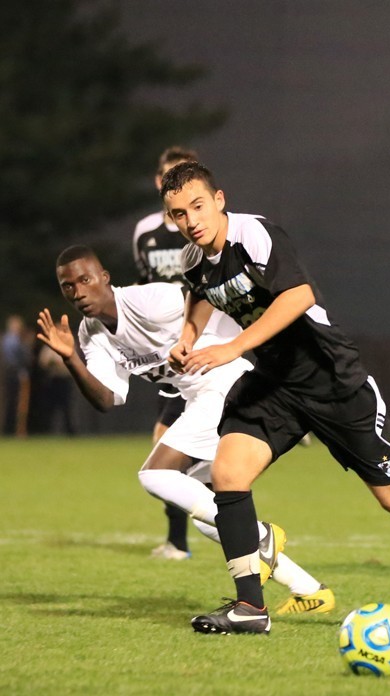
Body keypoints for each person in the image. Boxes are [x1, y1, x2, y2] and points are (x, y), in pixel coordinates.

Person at [160, 161, 390, 635]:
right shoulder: (194, 259)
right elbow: (200, 292)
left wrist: (232, 346)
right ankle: (250, 608)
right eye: (178, 214)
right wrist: (187, 337)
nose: (191, 220)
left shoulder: (253, 236)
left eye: (197, 206)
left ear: (219, 199)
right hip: (275, 383)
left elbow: (297, 296)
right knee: (228, 472)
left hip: (330, 378)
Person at [37, 245, 335, 619]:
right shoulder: (91, 333)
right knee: (209, 516)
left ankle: (260, 536)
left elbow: (206, 300)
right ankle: (308, 588)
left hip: (225, 381)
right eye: (68, 286)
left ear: (104, 279)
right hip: (201, 398)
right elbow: (107, 399)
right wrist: (70, 359)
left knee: (155, 473)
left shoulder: (151, 299)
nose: (78, 291)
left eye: (85, 280)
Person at [134, 146, 200, 560]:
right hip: (167, 349)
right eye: (168, 175)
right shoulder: (145, 232)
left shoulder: (203, 229)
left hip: (199, 344)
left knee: (165, 447)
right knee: (173, 447)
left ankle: (179, 542)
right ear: (159, 182)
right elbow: (144, 286)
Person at [2, 314, 32, 437]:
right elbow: (26, 359)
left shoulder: (7, 340)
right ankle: (18, 431)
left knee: (18, 405)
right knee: (18, 405)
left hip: (11, 375)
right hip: (14, 375)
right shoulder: (16, 341)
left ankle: (17, 430)